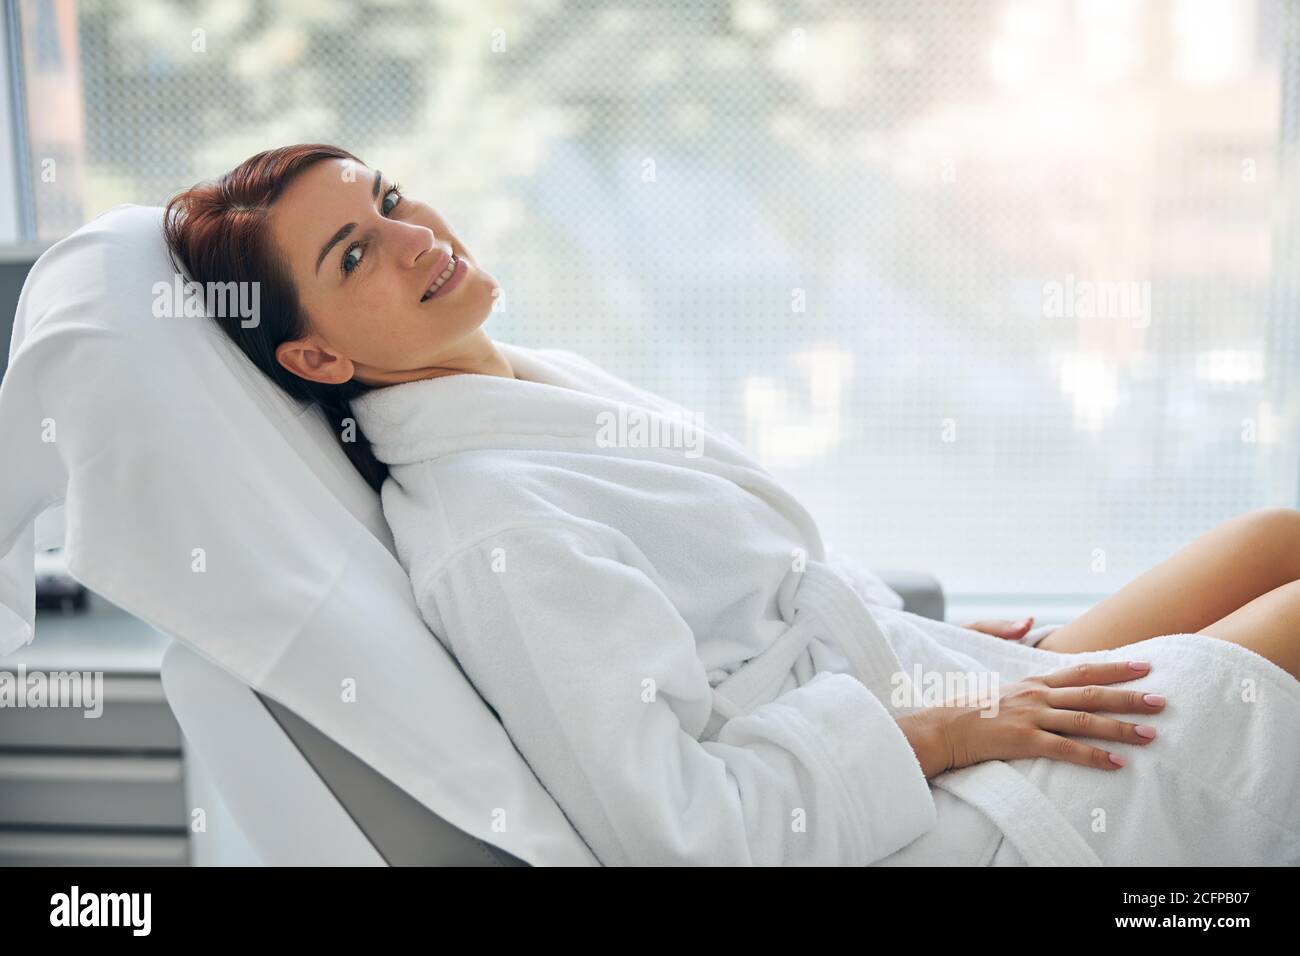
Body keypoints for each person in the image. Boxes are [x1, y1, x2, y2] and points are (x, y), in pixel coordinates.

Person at [162, 143, 1300, 866]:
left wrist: (899, 645)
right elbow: (680, 834)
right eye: (356, 253)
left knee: (1272, 539)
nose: (419, 239)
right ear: (312, 358)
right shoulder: (494, 530)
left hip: (902, 692)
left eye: (391, 197)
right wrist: (942, 726)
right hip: (915, 815)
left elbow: (734, 608)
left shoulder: (537, 390)